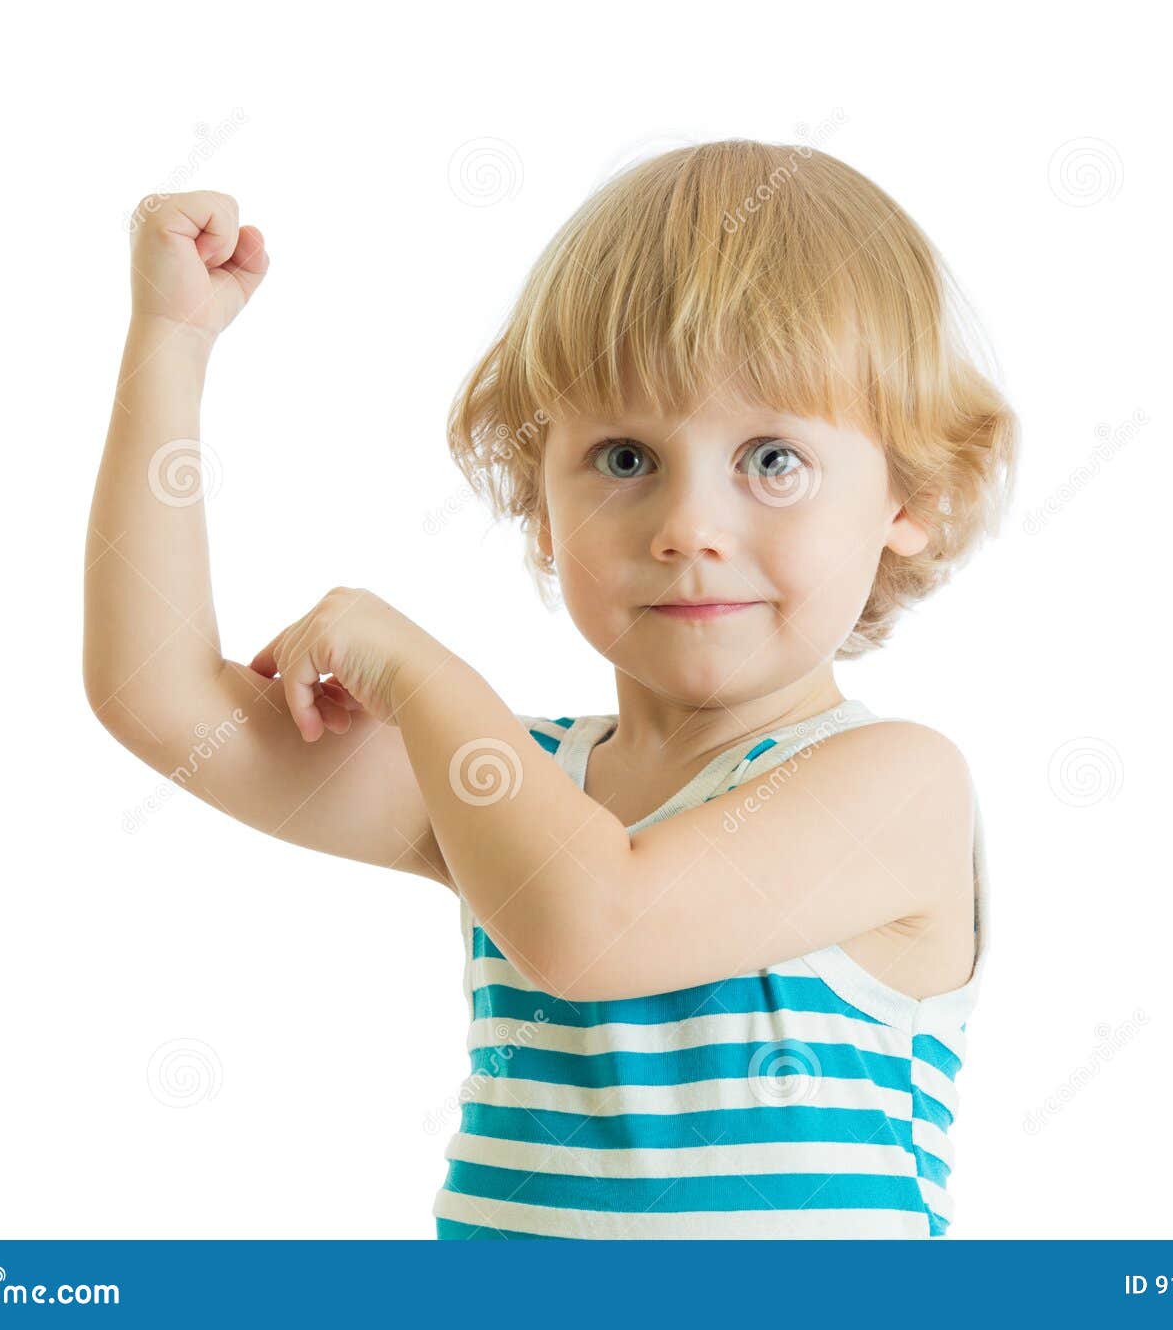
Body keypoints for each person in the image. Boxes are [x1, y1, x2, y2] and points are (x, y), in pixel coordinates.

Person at [83, 139, 1018, 1238]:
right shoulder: (513, 788)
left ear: (912, 495)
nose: (688, 529)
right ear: (539, 500)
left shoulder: (899, 784)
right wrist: (171, 341)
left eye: (773, 460)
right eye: (625, 459)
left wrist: (425, 675)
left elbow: (595, 927)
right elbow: (160, 696)